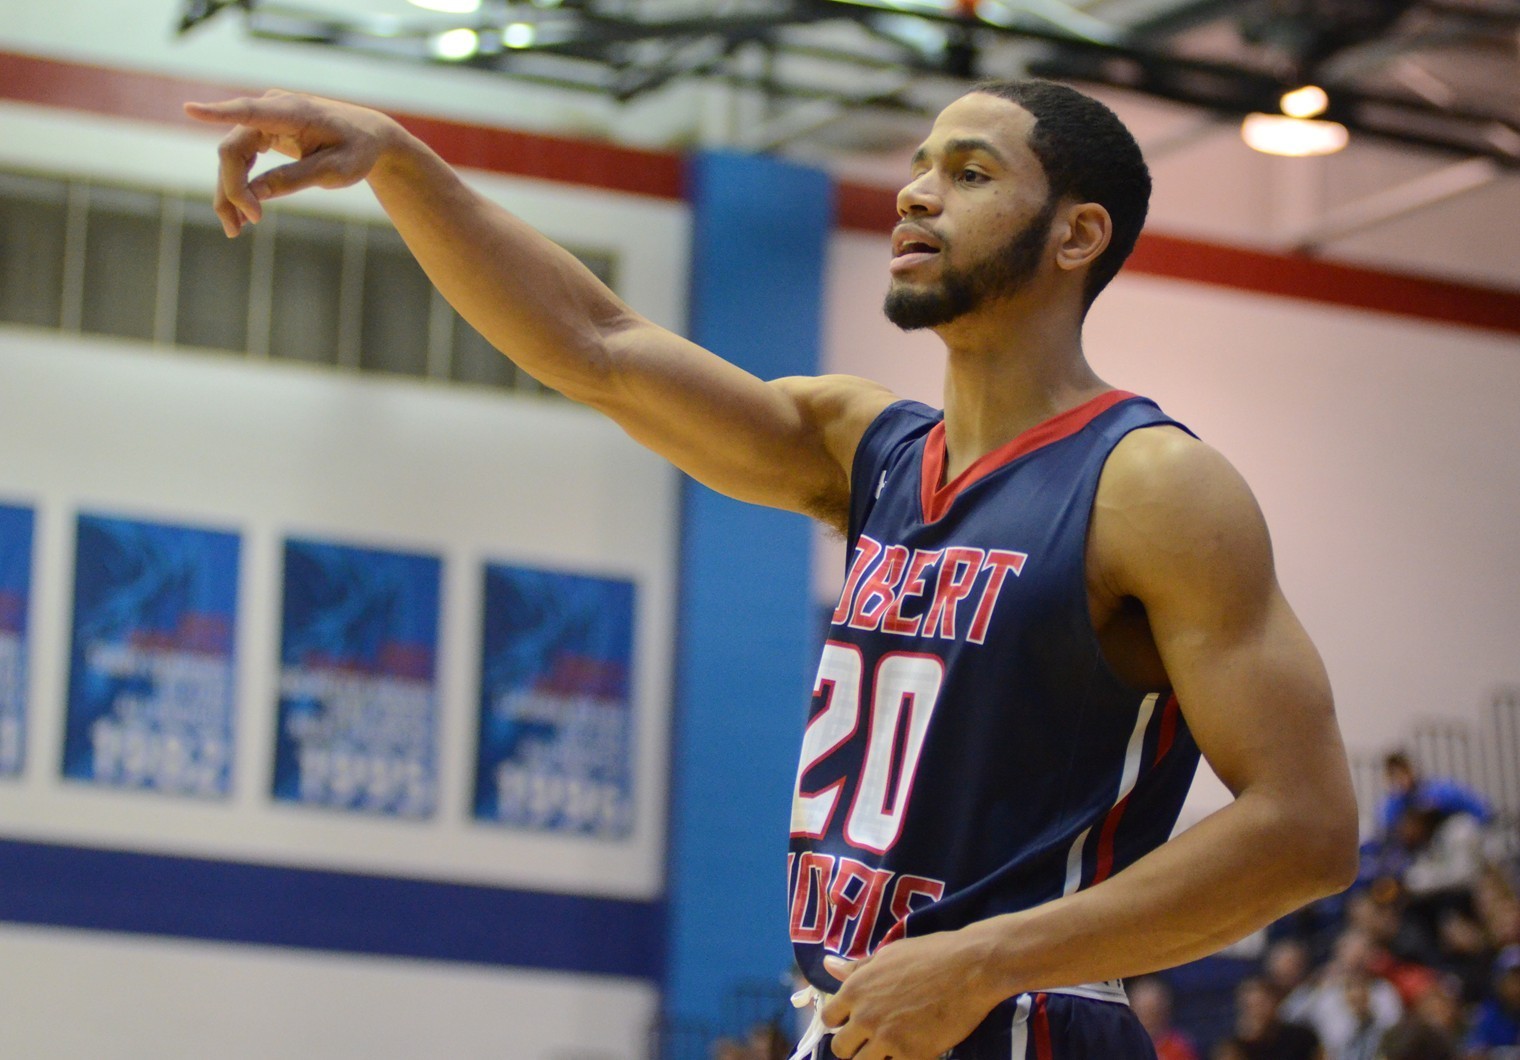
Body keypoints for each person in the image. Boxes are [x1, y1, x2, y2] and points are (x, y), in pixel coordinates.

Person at [186, 77, 1359, 1059]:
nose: (912, 191)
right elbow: (597, 348)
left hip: (1019, 1015)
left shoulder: (1151, 484)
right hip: (853, 1008)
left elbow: (1304, 826)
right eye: (916, 164)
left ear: (1075, 232)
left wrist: (981, 956)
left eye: (967, 172)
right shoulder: (870, 449)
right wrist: (399, 162)